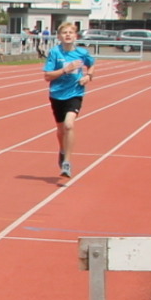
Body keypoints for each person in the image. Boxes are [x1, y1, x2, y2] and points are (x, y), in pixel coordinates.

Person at [42, 20, 92, 182]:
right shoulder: (55, 53)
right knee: (61, 129)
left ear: (75, 36)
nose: (68, 35)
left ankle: (67, 163)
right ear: (59, 36)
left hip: (75, 93)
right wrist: (65, 70)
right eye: (64, 33)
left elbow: (92, 65)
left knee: (70, 125)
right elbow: (47, 76)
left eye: (71, 32)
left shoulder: (82, 53)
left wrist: (88, 76)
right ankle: (62, 150)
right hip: (57, 94)